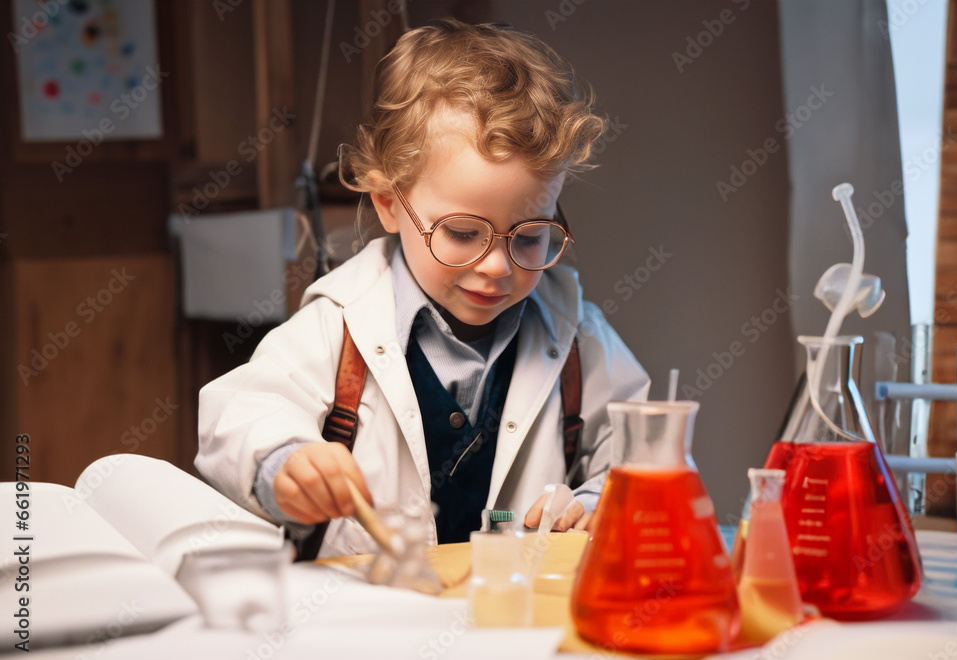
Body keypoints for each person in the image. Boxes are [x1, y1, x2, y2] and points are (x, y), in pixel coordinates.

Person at [196, 18, 650, 558]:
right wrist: (285, 463)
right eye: (462, 233)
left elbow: (644, 448)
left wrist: (607, 500)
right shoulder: (338, 325)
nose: (497, 266)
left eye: (529, 237)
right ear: (389, 203)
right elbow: (238, 417)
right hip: (372, 619)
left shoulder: (577, 336)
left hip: (512, 620)